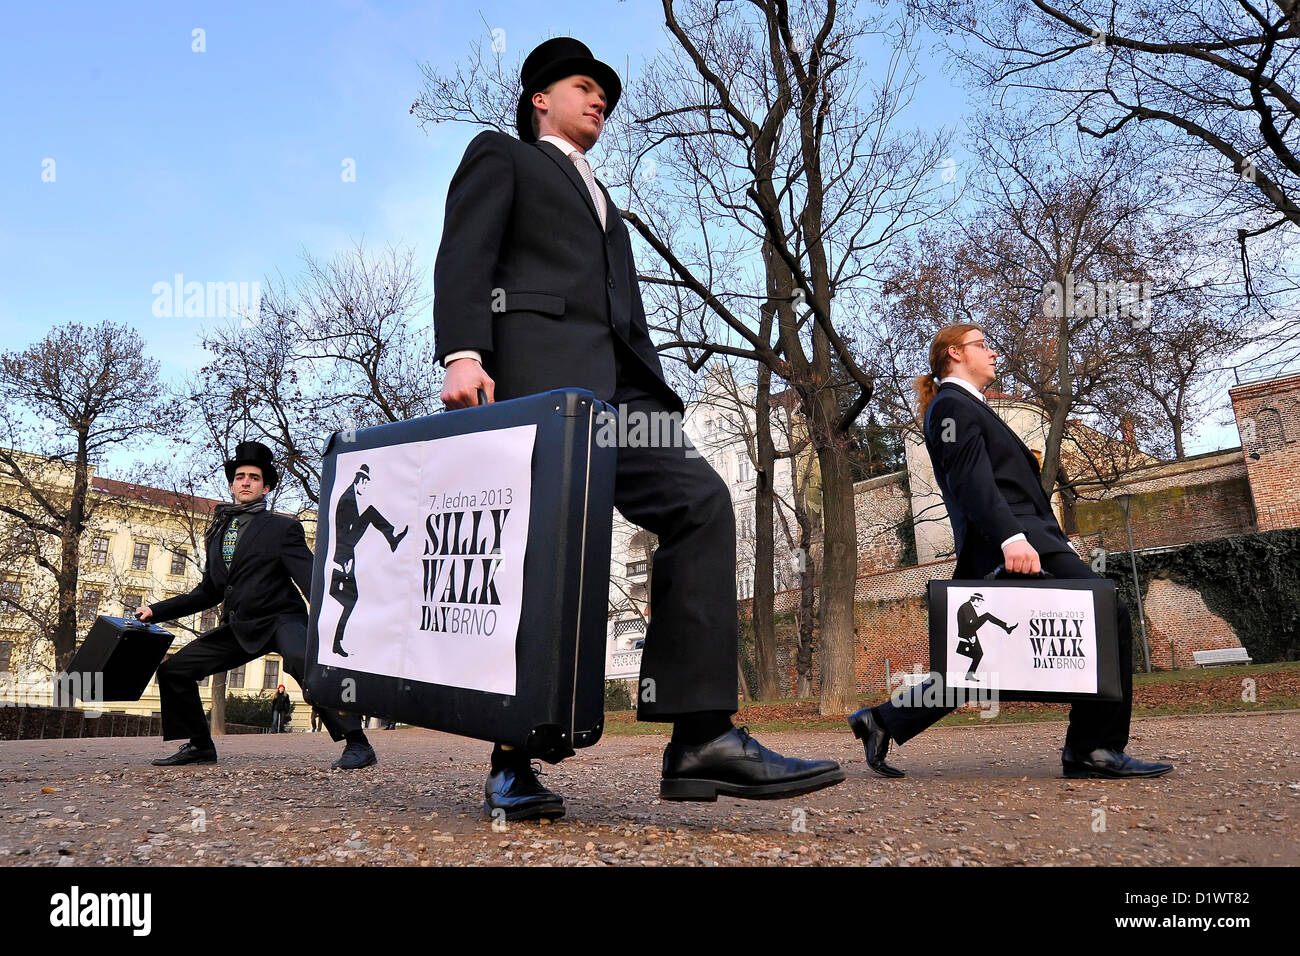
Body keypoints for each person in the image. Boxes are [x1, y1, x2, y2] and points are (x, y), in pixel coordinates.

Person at [434, 36, 845, 820]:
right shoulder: (501, 157)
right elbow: (464, 254)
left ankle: (700, 735)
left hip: (628, 403)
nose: (600, 103)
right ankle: (513, 759)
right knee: (551, 562)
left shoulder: (609, 206)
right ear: (539, 98)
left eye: (606, 97)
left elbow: (625, 316)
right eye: (586, 88)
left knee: (702, 503)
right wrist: (463, 352)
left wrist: (656, 398)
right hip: (538, 389)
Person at [846, 324, 1173, 780]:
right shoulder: (951, 406)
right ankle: (1092, 748)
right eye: (983, 344)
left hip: (1022, 540)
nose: (994, 352)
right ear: (956, 353)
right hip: (1013, 542)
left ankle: (882, 721)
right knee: (1106, 614)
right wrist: (1012, 538)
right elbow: (971, 483)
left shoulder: (967, 407)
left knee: (986, 660)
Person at [139, 441, 377, 770]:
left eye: (254, 477)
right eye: (240, 477)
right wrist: (157, 610)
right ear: (233, 484)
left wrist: (335, 620)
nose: (246, 482)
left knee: (302, 662)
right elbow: (210, 590)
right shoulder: (218, 533)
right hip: (241, 625)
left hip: (282, 620)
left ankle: (358, 744)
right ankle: (199, 745)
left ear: (266, 487)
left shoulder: (282, 528)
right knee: (173, 670)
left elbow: (310, 580)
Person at [327, 463, 408, 658]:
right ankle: (335, 641)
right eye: (365, 485)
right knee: (348, 600)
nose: (365, 489)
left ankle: (337, 642)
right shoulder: (347, 500)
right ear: (360, 481)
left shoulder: (350, 497)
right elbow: (341, 531)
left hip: (347, 552)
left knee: (350, 600)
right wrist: (344, 558)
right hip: (344, 554)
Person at [954, 592, 1016, 680]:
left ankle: (1006, 628)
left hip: (970, 631)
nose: (981, 603)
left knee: (978, 653)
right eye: (980, 601)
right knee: (978, 653)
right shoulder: (966, 607)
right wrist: (969, 637)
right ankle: (1006, 628)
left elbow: (972, 622)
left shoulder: (969, 606)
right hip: (968, 633)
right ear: (975, 600)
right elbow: (968, 623)